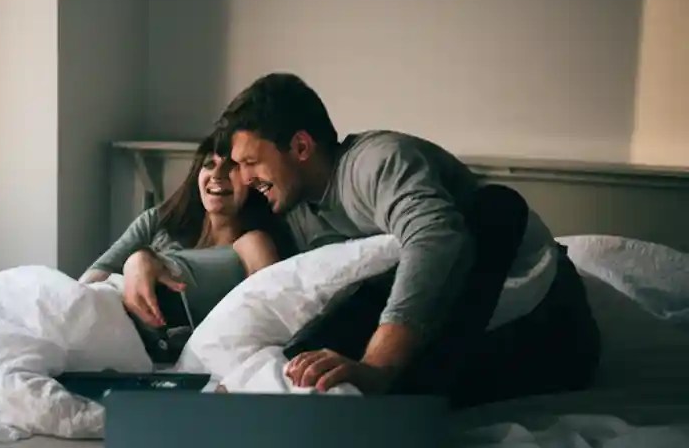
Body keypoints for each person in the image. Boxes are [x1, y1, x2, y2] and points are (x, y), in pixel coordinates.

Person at [214, 72, 600, 407]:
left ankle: (385, 397)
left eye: (251, 162)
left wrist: (378, 366)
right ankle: (273, 403)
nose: (246, 178)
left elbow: (436, 238)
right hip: (466, 344)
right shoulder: (291, 205)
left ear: (300, 147)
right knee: (321, 345)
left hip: (546, 323)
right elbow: (195, 229)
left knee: (497, 206)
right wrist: (152, 257)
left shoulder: (375, 163)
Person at [80, 131, 288, 335]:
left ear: (251, 180)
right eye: (209, 165)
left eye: (231, 167)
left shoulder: (255, 244)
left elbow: (272, 318)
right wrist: (137, 262)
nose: (217, 175)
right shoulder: (158, 221)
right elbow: (89, 282)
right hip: (106, 315)